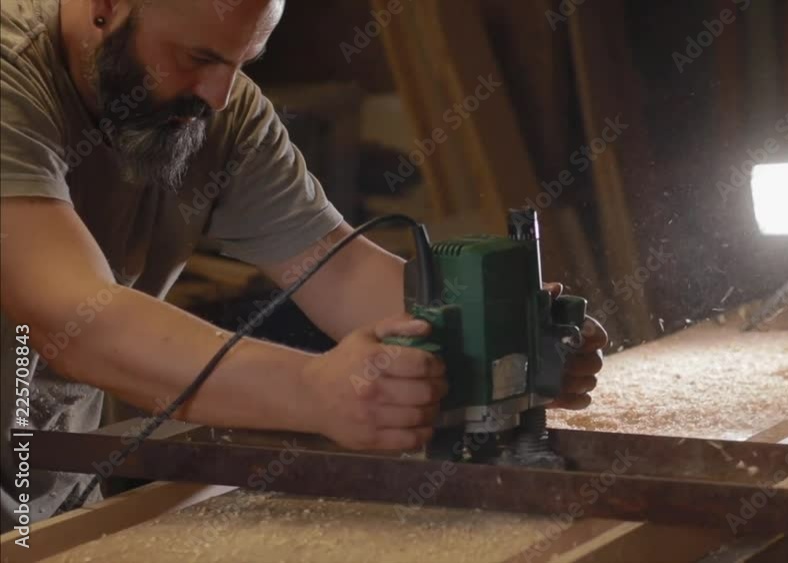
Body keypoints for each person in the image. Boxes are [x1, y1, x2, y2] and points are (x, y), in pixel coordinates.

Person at [0, 0, 607, 532]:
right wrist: (315, 392)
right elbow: (76, 320)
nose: (218, 94)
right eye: (198, 57)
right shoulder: (11, 73)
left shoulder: (220, 110)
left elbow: (338, 271)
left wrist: (509, 337)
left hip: (43, 496)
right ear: (106, 5)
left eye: (242, 62)